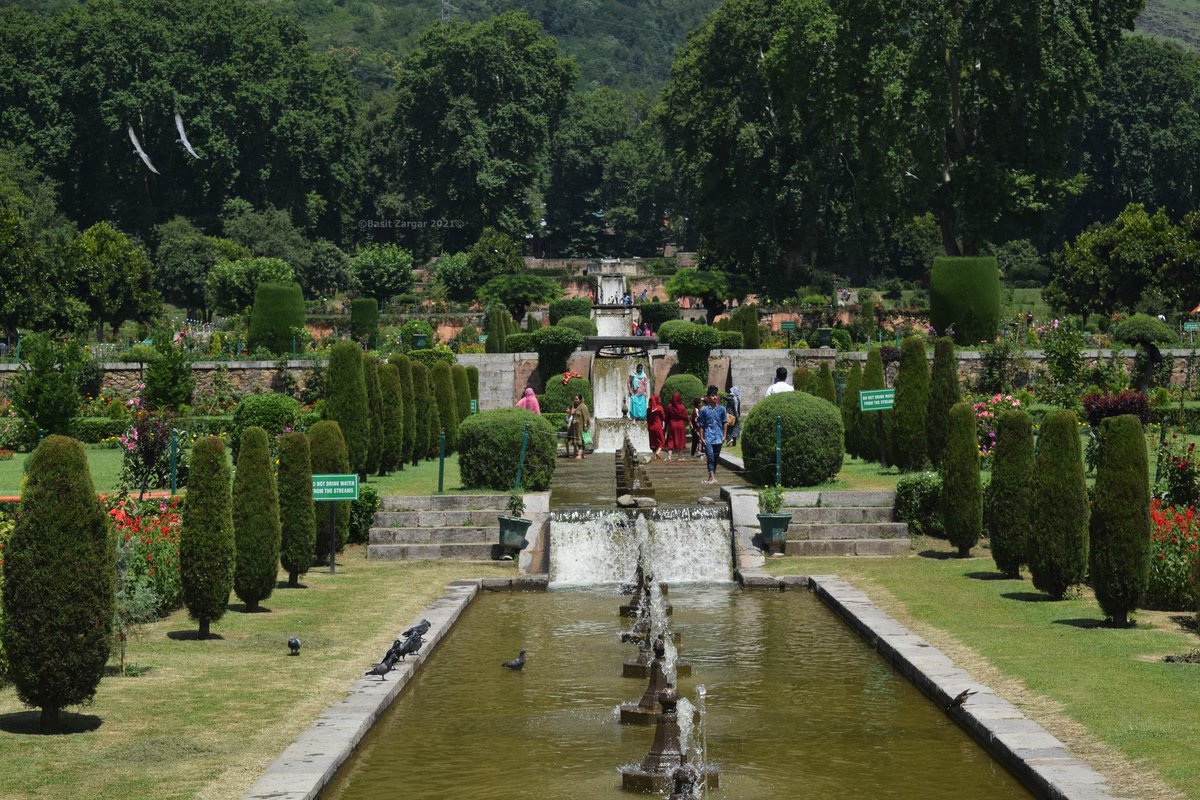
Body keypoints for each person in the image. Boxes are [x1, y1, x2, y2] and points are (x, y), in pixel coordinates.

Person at [697, 385, 728, 484]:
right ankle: (712, 477)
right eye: (712, 395)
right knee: (710, 457)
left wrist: (724, 436)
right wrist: (702, 438)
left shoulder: (722, 409)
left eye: (716, 395)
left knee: (715, 458)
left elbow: (725, 423)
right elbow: (701, 425)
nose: (715, 397)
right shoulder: (704, 410)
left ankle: (711, 476)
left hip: (718, 438)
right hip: (708, 438)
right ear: (708, 397)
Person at [665, 391, 689, 460]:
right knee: (681, 440)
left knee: (671, 440)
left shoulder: (669, 406)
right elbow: (686, 417)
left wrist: (666, 425)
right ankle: (680, 456)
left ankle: (669, 456)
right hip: (681, 425)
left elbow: (667, 417)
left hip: (672, 425)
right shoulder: (682, 407)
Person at [567, 394, 591, 460]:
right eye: (575, 399)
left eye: (577, 399)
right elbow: (572, 414)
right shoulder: (575, 406)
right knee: (577, 441)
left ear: (580, 400)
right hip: (575, 428)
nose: (575, 400)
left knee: (581, 441)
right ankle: (582, 455)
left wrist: (585, 425)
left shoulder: (583, 407)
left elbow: (586, 417)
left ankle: (580, 455)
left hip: (581, 427)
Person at [647, 394, 666, 460]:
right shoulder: (659, 408)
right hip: (658, 427)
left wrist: (648, 427)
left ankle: (654, 456)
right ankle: (658, 452)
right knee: (661, 440)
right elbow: (663, 417)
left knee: (653, 442)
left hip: (651, 427)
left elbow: (648, 419)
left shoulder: (648, 409)